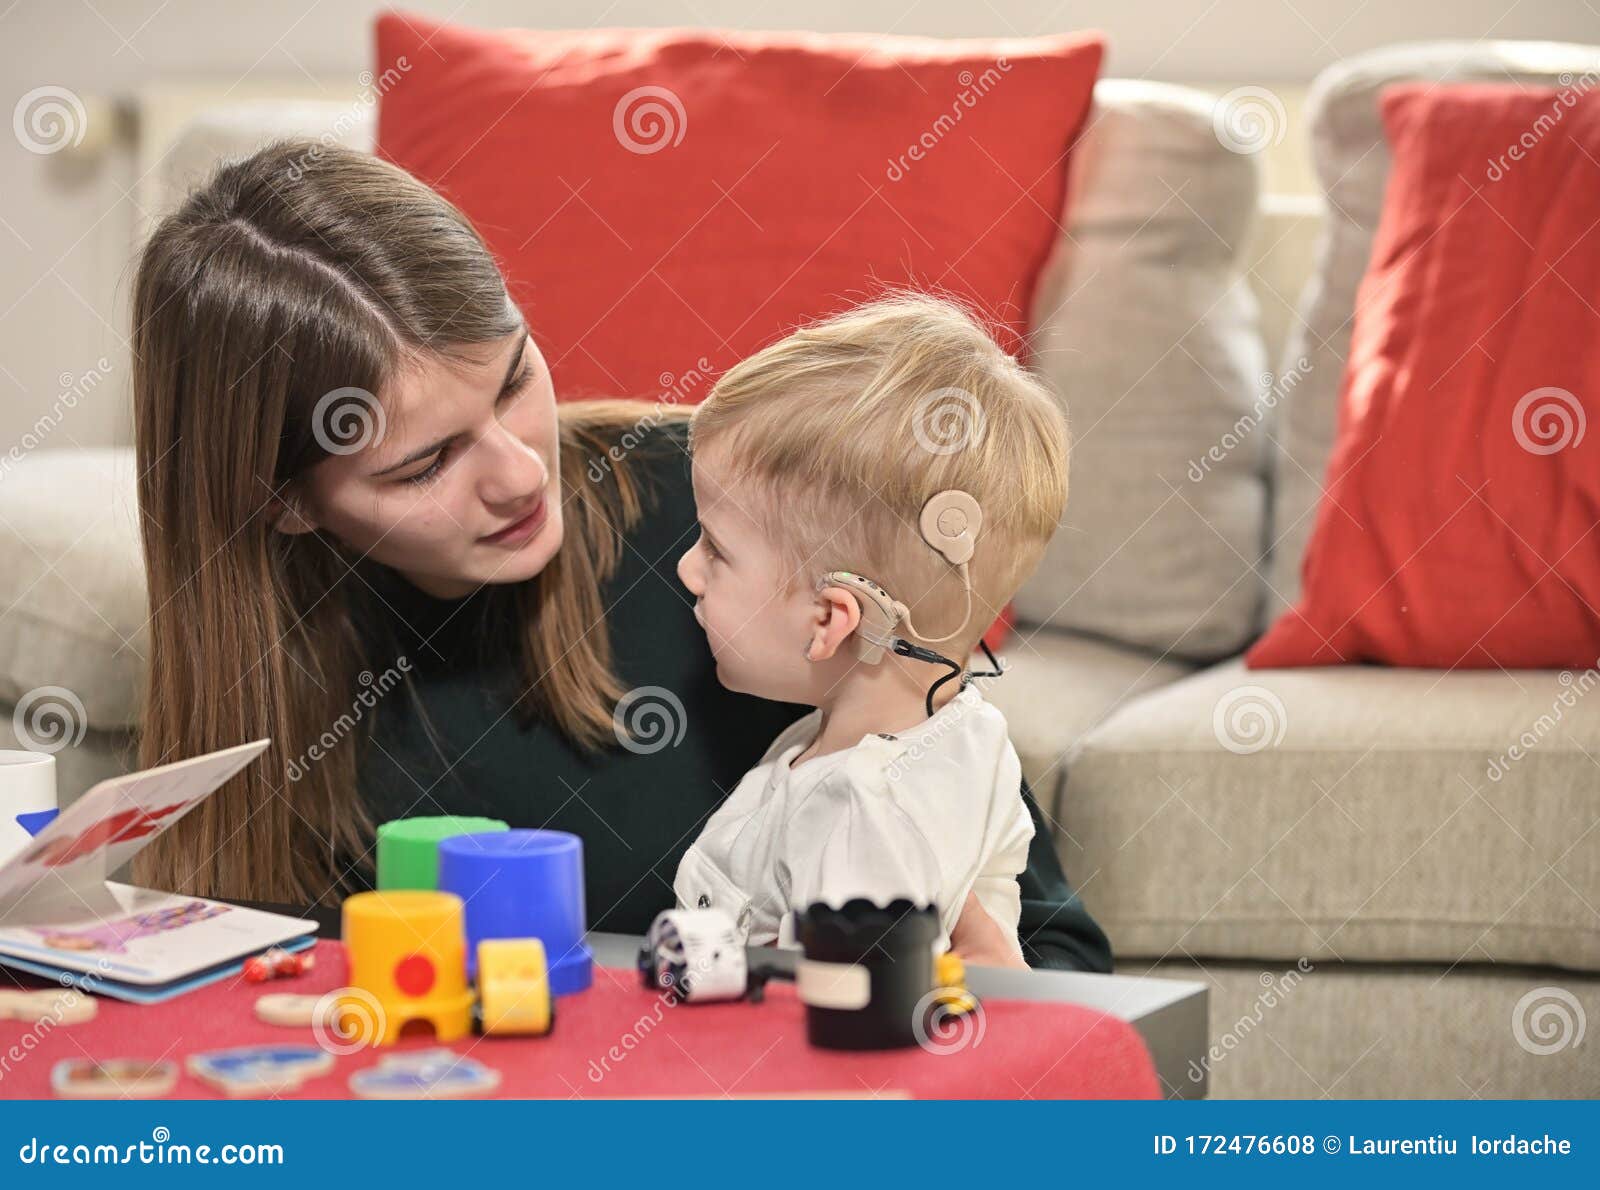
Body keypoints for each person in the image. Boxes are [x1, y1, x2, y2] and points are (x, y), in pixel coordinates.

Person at [127, 139, 1110, 972]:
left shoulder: (742, 518)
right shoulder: (273, 707)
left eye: (515, 377)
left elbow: (1060, 951)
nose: (519, 473)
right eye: (425, 460)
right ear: (283, 501)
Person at [674, 295, 1067, 963]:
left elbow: (839, 1031)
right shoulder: (940, 739)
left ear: (830, 619)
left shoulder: (865, 812)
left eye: (715, 548)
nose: (687, 570)